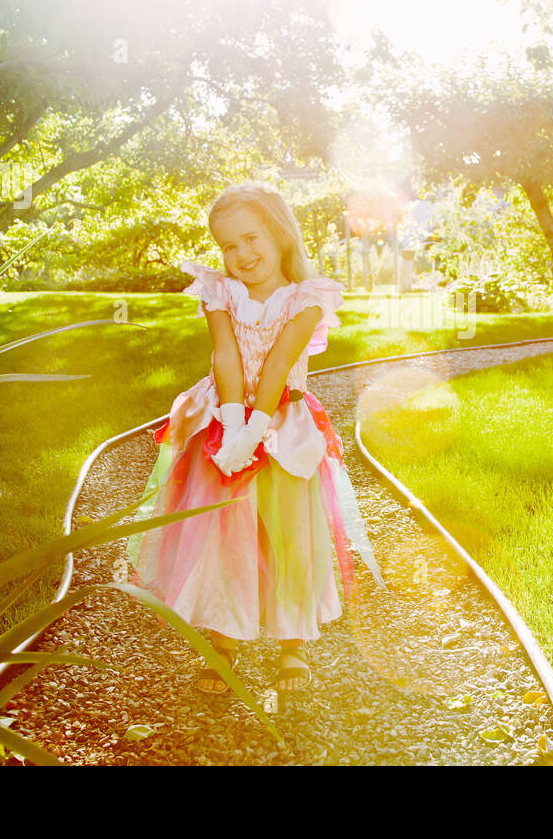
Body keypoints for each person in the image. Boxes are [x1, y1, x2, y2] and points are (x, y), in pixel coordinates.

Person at [127, 180, 383, 694]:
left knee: (289, 533)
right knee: (226, 529)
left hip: (281, 421)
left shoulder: (308, 297)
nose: (241, 254)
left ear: (278, 230)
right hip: (225, 416)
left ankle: (293, 642)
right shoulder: (219, 290)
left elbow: (278, 364)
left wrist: (256, 428)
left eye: (251, 238)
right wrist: (229, 419)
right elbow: (225, 352)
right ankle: (225, 637)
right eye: (227, 245)